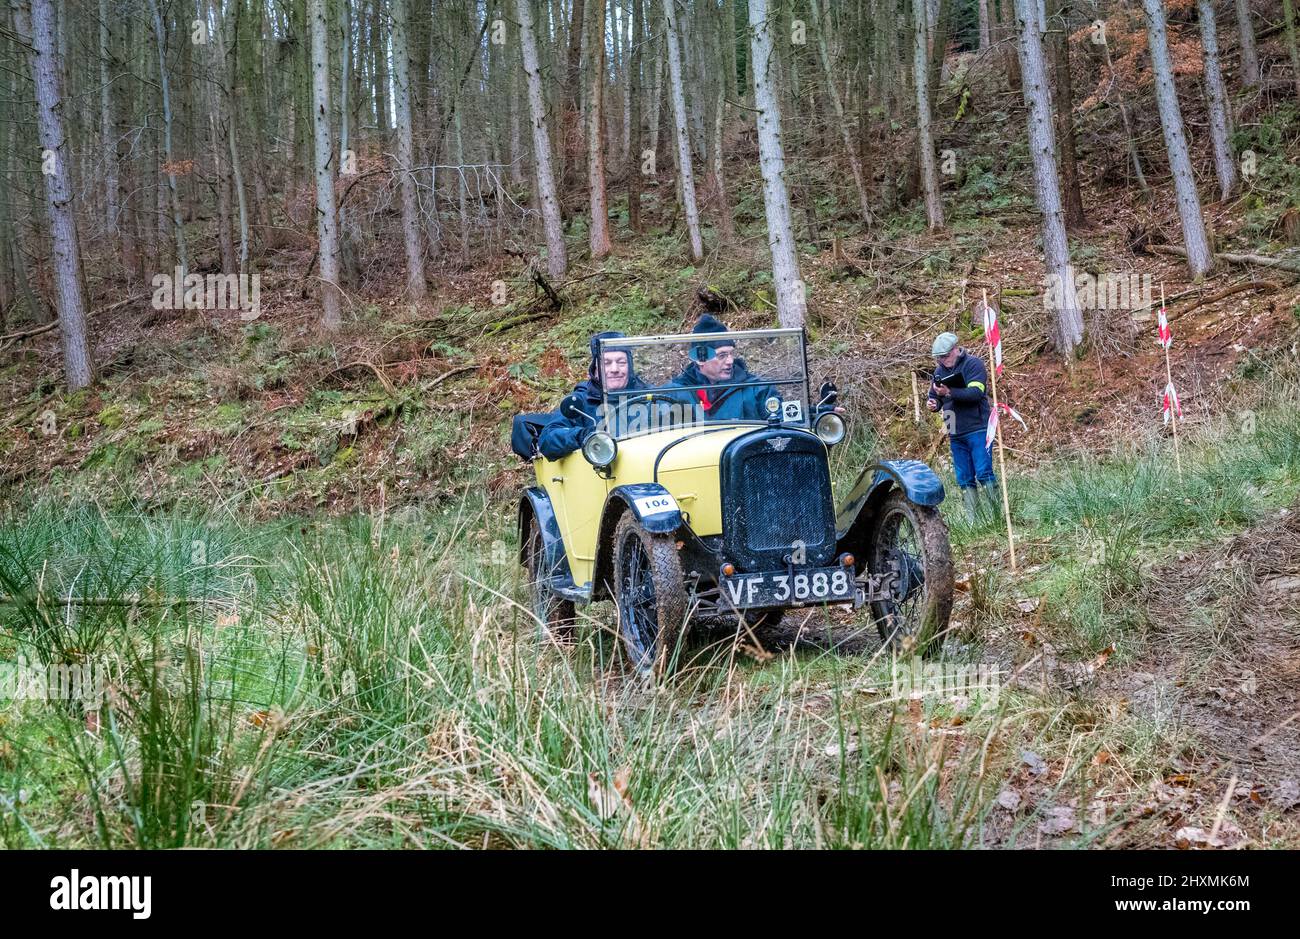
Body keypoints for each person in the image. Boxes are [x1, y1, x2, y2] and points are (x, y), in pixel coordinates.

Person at [532, 331, 646, 460]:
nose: (615, 369)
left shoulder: (648, 395)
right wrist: (583, 435)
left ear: (630, 366)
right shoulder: (580, 403)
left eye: (621, 362)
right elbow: (548, 439)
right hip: (602, 475)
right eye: (606, 363)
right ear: (595, 369)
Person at [926, 331, 997, 521]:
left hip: (977, 427)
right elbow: (935, 396)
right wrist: (934, 404)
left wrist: (949, 392)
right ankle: (973, 521)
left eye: (946, 356)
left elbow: (975, 393)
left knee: (983, 472)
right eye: (939, 358)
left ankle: (995, 517)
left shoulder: (974, 364)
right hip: (954, 430)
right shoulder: (939, 371)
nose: (943, 361)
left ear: (956, 349)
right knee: (964, 477)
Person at [667, 314, 779, 422]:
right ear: (701, 359)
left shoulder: (758, 389)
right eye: (722, 355)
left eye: (731, 354)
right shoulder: (673, 393)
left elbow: (781, 428)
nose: (730, 361)